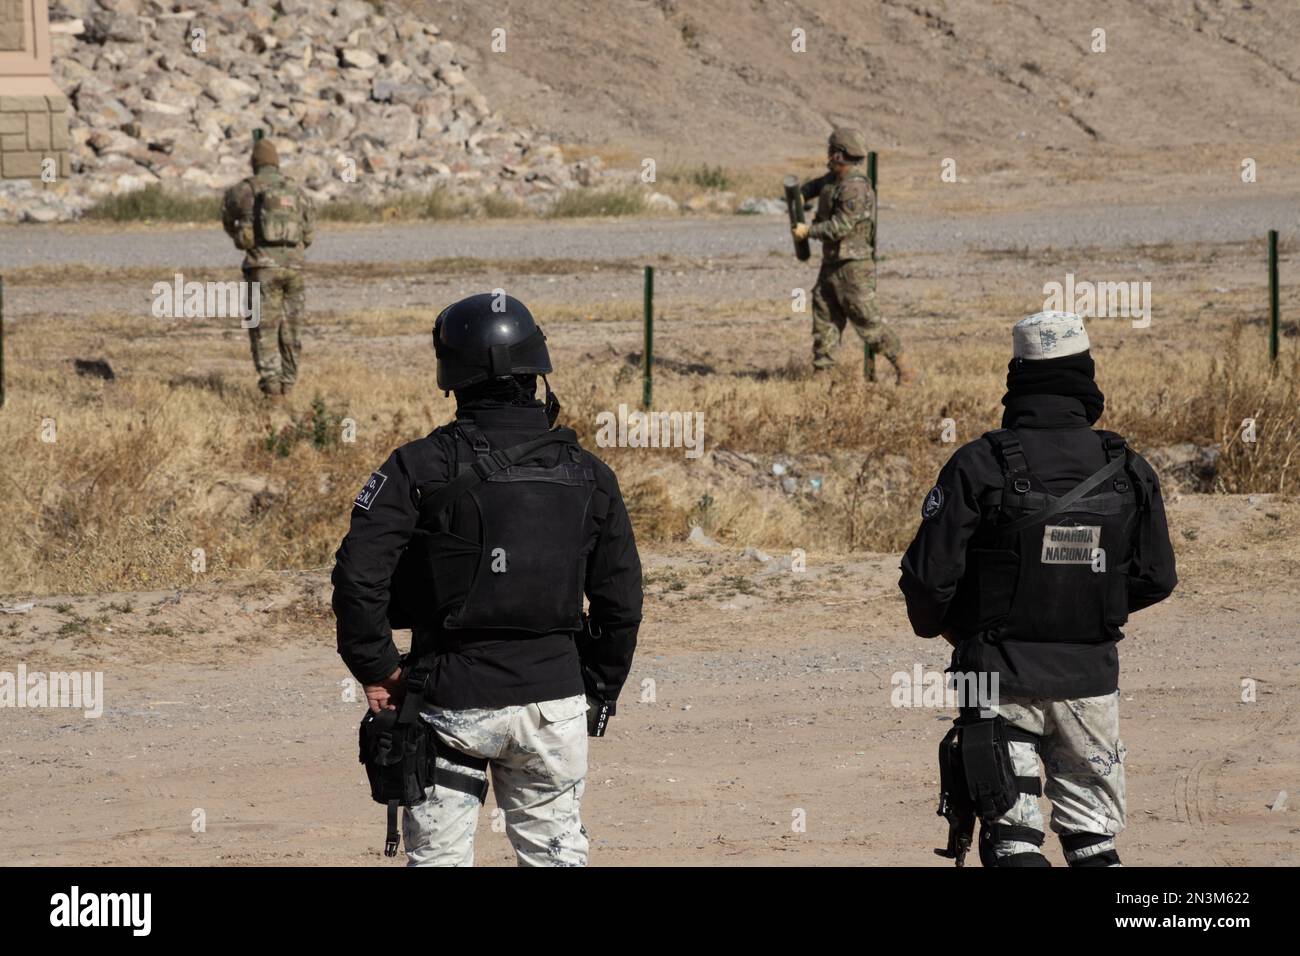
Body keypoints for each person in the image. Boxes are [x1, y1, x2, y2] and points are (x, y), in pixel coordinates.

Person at [333, 292, 642, 866]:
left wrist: (378, 669)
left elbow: (358, 574)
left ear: (452, 377)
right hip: (554, 705)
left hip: (449, 701)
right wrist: (597, 690)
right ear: (536, 372)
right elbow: (620, 599)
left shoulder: (417, 465)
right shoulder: (591, 474)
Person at [899, 311, 1177, 866]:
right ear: (1086, 377)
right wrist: (1087, 609)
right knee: (1094, 840)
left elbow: (928, 582)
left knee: (1012, 837)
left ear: (1017, 379)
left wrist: (961, 630)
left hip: (996, 676)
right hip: (1091, 681)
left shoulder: (979, 463)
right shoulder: (1128, 467)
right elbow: (1157, 578)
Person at [793, 126, 911, 383]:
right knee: (824, 314)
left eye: (832, 151)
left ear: (839, 154)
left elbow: (840, 227)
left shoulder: (854, 188)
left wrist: (808, 231)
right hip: (832, 263)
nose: (828, 155)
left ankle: (905, 369)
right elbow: (814, 186)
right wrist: (798, 195)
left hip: (853, 266)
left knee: (867, 321)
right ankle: (822, 372)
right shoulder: (833, 180)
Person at [221, 137, 315, 399]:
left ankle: (272, 390)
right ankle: (289, 383)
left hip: (261, 269)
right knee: (292, 327)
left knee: (263, 327)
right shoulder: (295, 190)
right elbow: (309, 234)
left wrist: (247, 239)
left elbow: (228, 219)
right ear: (276, 162)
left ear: (254, 162)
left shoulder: (243, 190)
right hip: (294, 269)